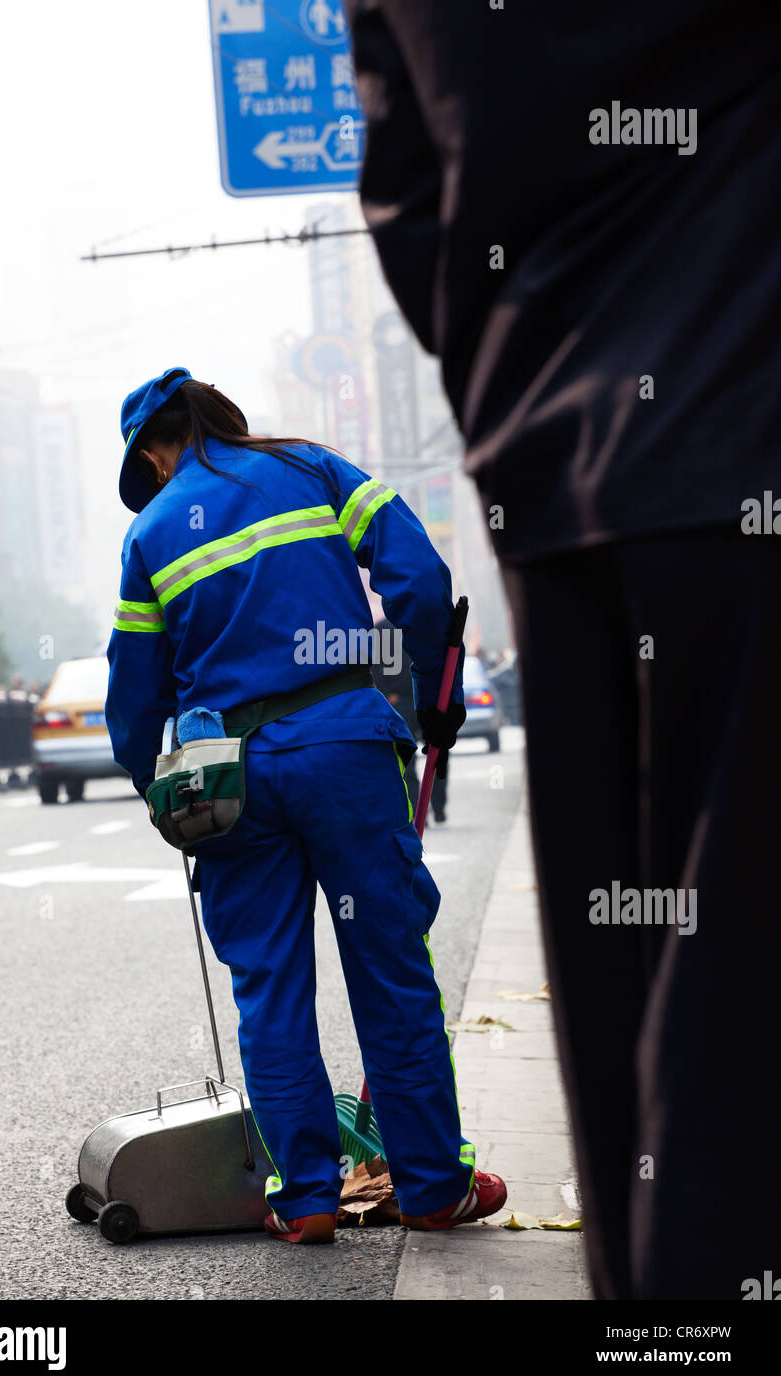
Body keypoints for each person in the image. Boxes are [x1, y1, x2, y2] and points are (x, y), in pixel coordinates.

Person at [346, 0, 781, 1297]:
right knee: (735, 996)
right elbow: (416, 584)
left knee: (621, 974)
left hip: (551, 483)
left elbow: (405, 189)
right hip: (744, 428)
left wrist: (507, 390)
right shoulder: (314, 485)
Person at [105, 369, 506, 1243]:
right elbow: (420, 575)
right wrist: (427, 686)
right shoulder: (313, 469)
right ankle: (435, 1186)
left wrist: (153, 785)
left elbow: (133, 702)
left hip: (229, 783)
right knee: (392, 971)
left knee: (270, 991)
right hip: (346, 749)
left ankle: (308, 1198)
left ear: (155, 450)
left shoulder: (151, 534)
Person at [371, 616, 449, 822]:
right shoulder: (383, 629)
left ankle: (437, 807)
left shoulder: (427, 624)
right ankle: (416, 814)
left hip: (428, 701)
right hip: (402, 702)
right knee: (408, 760)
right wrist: (387, 695)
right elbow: (374, 667)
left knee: (437, 756)